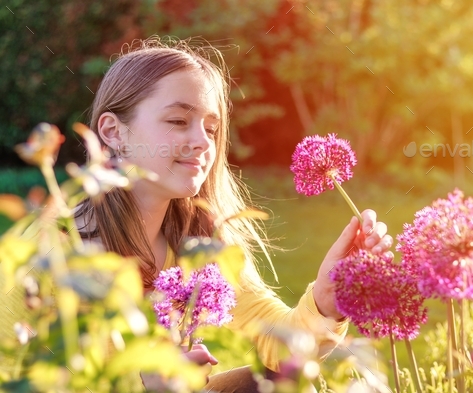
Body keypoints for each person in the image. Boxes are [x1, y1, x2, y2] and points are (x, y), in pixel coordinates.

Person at [74, 37, 394, 392]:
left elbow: (279, 344)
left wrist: (325, 301)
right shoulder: (56, 254)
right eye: (179, 120)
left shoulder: (202, 243)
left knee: (310, 377)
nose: (202, 141)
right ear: (113, 131)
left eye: (211, 128)